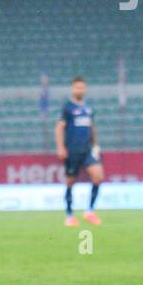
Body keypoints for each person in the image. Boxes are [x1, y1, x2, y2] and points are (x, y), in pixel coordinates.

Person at [55, 76, 104, 227]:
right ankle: (69, 215)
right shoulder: (67, 107)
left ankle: (89, 212)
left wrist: (95, 145)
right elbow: (59, 128)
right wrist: (61, 147)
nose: (80, 90)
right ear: (72, 89)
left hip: (87, 150)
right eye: (77, 87)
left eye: (82, 87)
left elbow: (92, 128)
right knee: (70, 181)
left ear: (85, 89)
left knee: (98, 176)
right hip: (72, 150)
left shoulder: (89, 109)